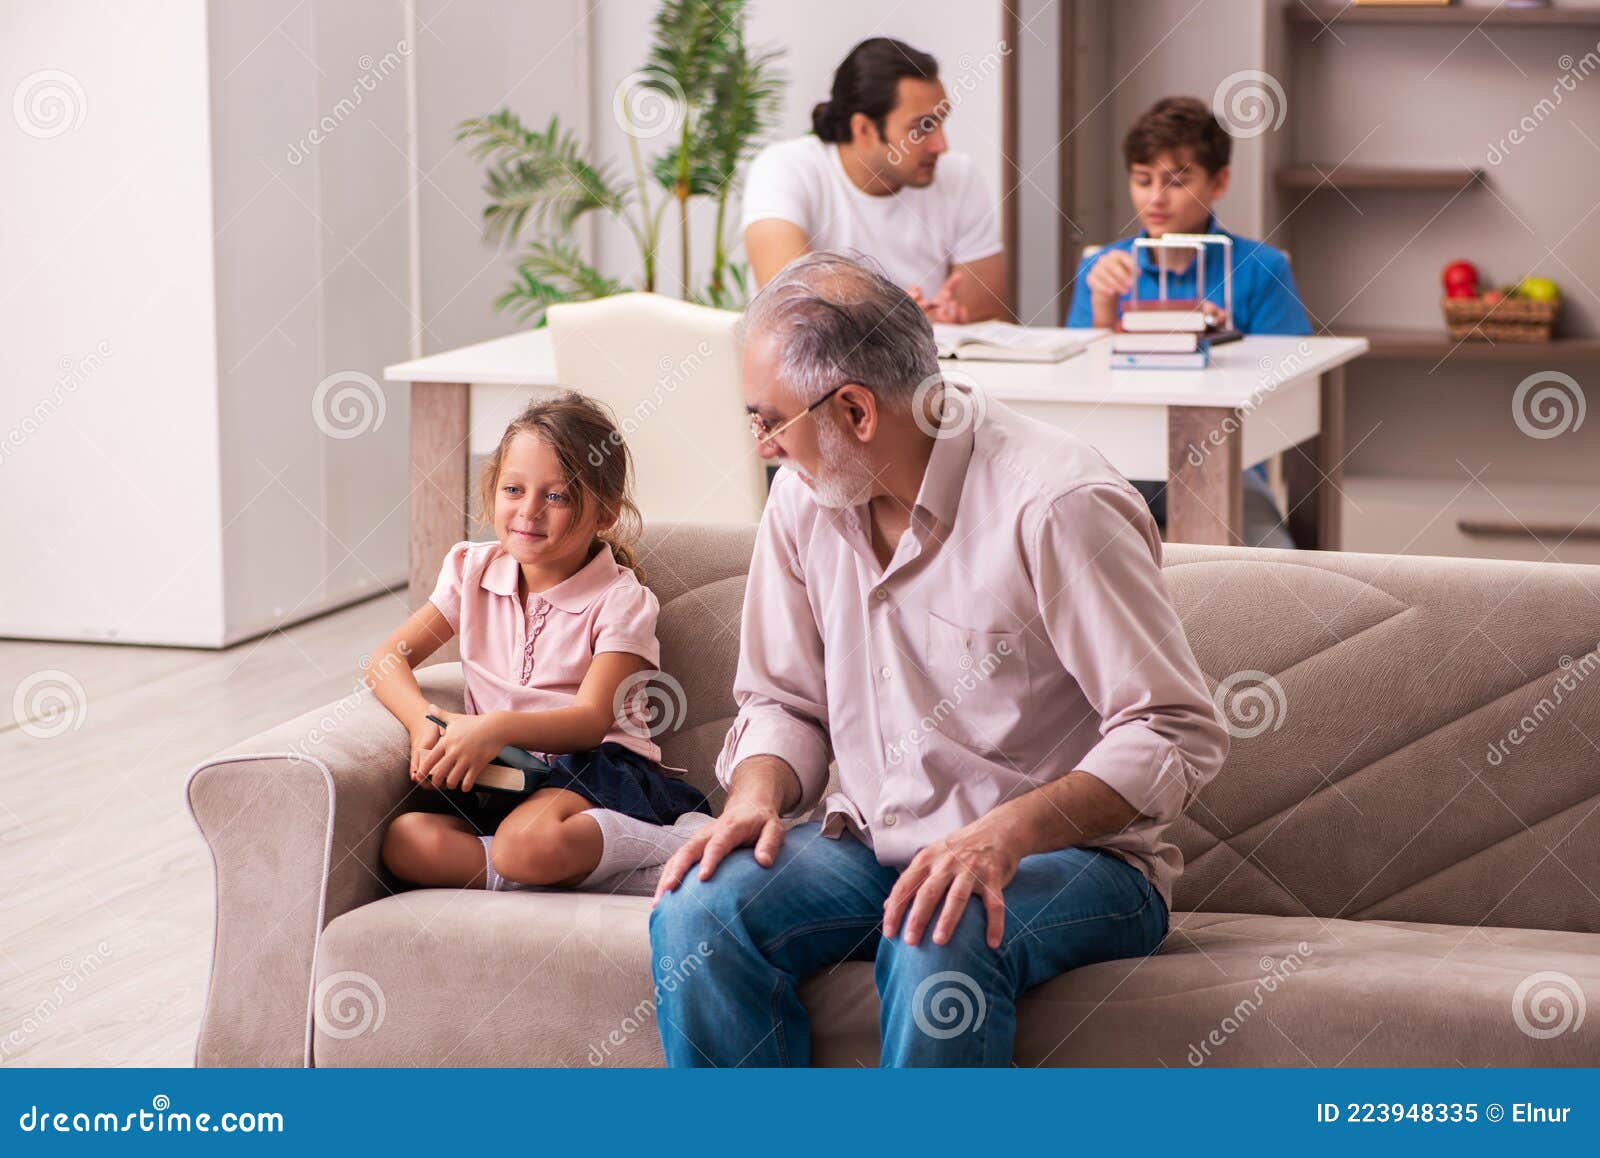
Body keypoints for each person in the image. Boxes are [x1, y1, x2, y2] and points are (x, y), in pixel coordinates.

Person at [648, 252, 1228, 1067]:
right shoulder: (803, 502)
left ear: (854, 411)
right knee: (699, 911)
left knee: (940, 929)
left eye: (769, 420)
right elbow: (784, 703)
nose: (763, 445)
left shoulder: (1055, 502)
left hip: (1072, 863)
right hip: (871, 845)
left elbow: (1170, 730)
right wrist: (755, 793)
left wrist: (1006, 833)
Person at [366, 393, 711, 896]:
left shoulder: (621, 599)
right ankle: (568, 872)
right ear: (492, 493)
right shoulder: (472, 570)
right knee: (405, 842)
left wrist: (492, 727)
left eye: (558, 496)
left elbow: (591, 721)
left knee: (523, 844)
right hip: (504, 774)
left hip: (594, 770)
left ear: (606, 514)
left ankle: (679, 843)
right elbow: (384, 661)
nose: (529, 511)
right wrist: (423, 722)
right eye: (513, 489)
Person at [1066, 96, 1312, 549]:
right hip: (1121, 466)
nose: (1156, 198)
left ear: (1219, 181)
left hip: (1225, 465)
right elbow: (1082, 394)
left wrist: (1225, 343)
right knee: (1065, 553)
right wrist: (1103, 311)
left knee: (1279, 568)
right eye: (1142, 180)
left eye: (1177, 182)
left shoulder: (1262, 267)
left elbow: (1293, 384)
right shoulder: (1104, 267)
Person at [741, 37, 1006, 324]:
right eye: (922, 128)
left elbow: (987, 316)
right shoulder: (786, 167)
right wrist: (905, 321)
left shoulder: (958, 175)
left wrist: (949, 319)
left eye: (941, 122)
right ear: (864, 129)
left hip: (928, 367)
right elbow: (790, 301)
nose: (941, 145)